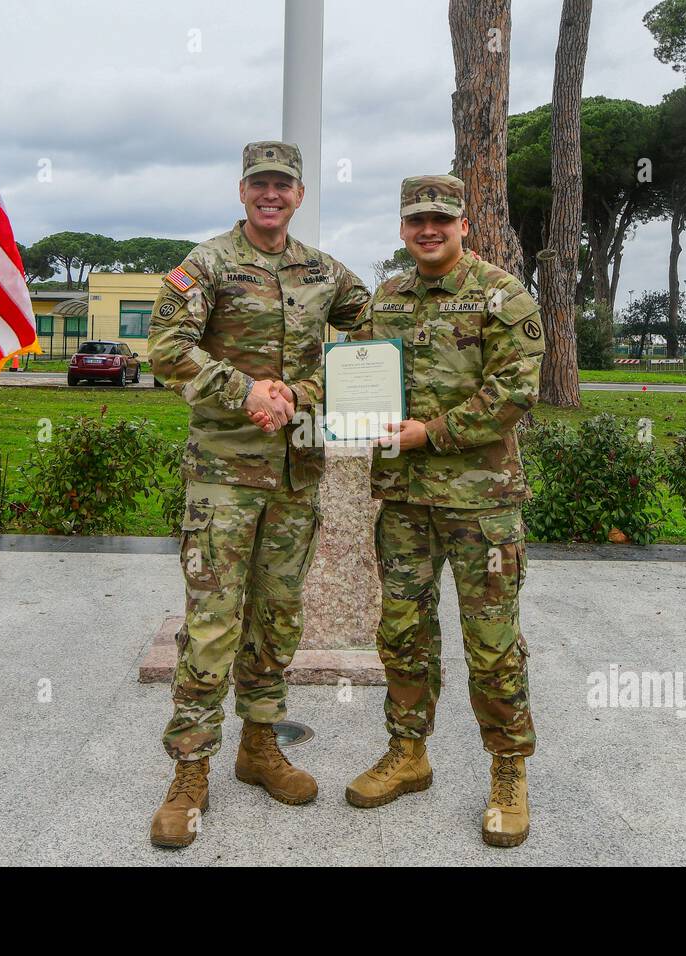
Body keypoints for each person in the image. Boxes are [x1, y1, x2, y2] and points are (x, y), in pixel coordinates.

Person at [146, 141, 370, 848]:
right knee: (213, 622)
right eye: (259, 184)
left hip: (296, 475)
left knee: (277, 617)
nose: (270, 195)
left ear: (299, 194)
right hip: (223, 477)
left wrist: (303, 392)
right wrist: (245, 392)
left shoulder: (324, 271)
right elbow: (166, 348)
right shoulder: (208, 263)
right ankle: (189, 771)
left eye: (282, 185)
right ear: (243, 191)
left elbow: (377, 334)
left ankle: (260, 745)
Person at [341, 174, 544, 847]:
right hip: (403, 503)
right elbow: (358, 370)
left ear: (463, 225)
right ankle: (409, 753)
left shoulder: (501, 293)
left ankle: (507, 770)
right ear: (403, 229)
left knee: (491, 644)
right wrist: (346, 412)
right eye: (416, 222)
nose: (428, 232)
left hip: (479, 504)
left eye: (440, 221)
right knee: (401, 632)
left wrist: (432, 433)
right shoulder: (389, 296)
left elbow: (516, 390)